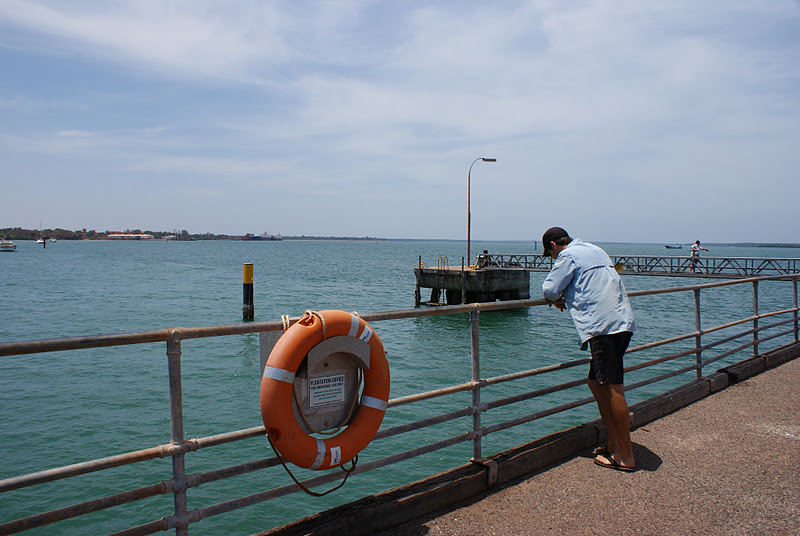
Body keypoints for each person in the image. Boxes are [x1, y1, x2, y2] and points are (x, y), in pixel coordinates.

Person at [541, 227, 637, 472]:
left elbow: (550, 290)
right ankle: (614, 443)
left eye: (549, 253)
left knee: (614, 386)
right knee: (596, 383)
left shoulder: (568, 256)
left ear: (553, 245)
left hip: (603, 326)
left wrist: (558, 298)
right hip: (621, 321)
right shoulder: (595, 250)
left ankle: (625, 457)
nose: (551, 258)